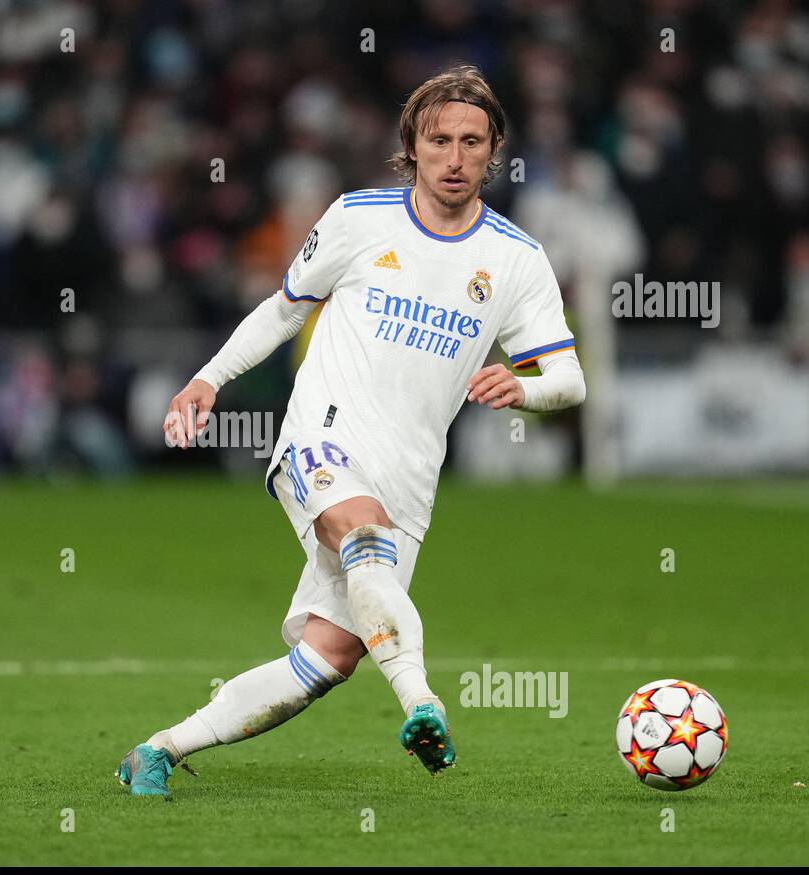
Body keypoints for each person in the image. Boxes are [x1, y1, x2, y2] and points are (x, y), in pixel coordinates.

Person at [119, 65, 586, 796]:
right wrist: (210, 377)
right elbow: (284, 307)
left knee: (327, 659)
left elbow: (570, 380)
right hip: (320, 439)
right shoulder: (358, 219)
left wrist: (524, 387)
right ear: (413, 144)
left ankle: (159, 749)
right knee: (361, 531)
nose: (455, 158)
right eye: (439, 140)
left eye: (472, 141)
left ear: (494, 150)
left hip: (411, 475)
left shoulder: (516, 260)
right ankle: (423, 703)